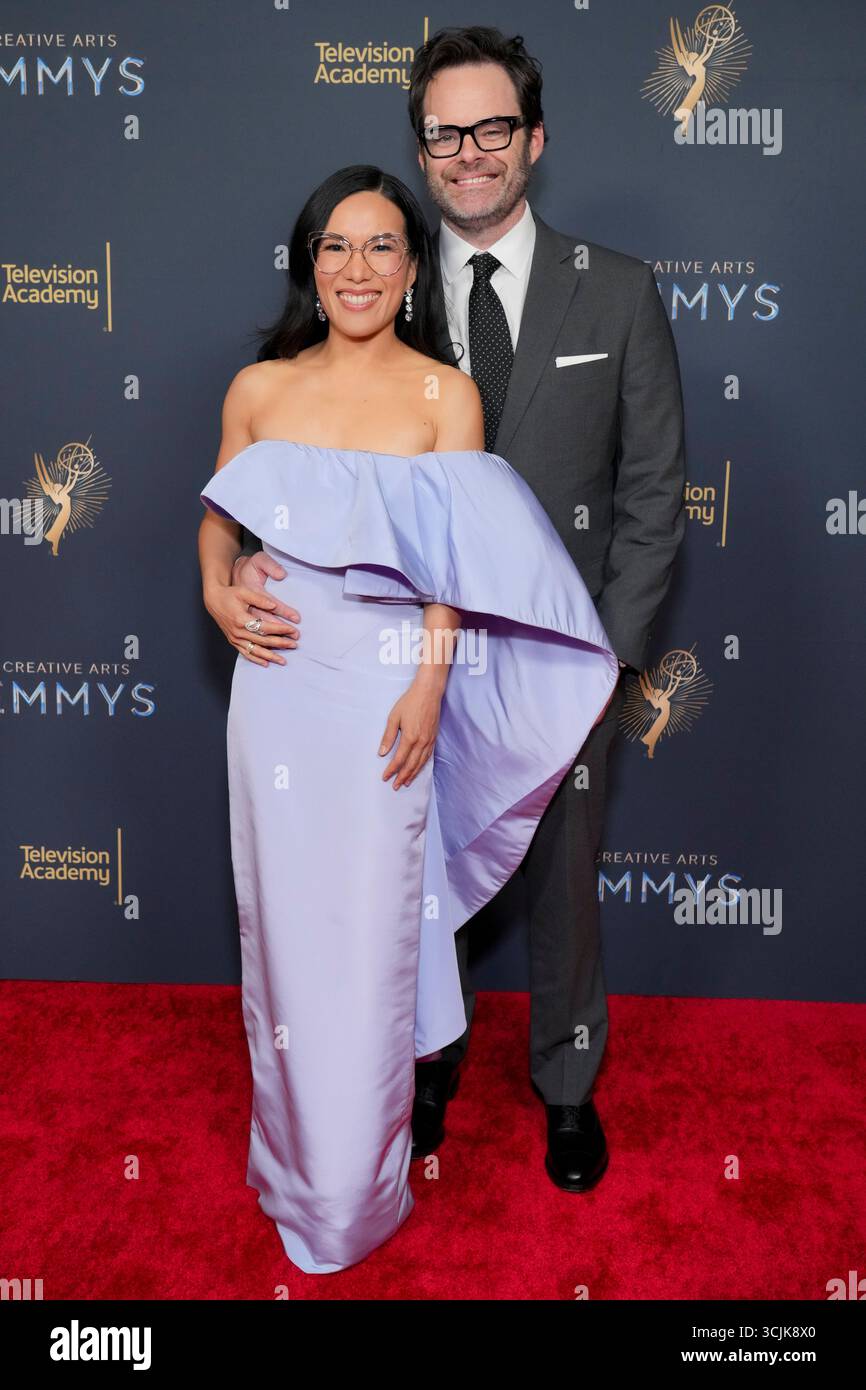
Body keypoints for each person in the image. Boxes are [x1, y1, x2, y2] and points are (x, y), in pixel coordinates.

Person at [229, 27, 687, 1196]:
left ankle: (566, 1085)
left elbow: (649, 495)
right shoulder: (383, 281)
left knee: (561, 878)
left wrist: (608, 658)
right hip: (390, 647)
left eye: (492, 129)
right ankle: (420, 1067)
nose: (469, 153)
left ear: (531, 141)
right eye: (445, 132)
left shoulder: (620, 292)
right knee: (403, 869)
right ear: (420, 147)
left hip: (545, 651)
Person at [198, 164, 618, 1273]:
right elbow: (221, 511)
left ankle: (356, 1182)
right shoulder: (257, 387)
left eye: (383, 246)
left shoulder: (446, 396)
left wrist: (430, 682)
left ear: (412, 268)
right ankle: (292, 1161)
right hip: (279, 686)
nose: (357, 268)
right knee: (288, 936)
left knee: (374, 934)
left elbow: (456, 564)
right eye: (336, 246)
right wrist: (213, 587)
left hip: (388, 688)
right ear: (309, 261)